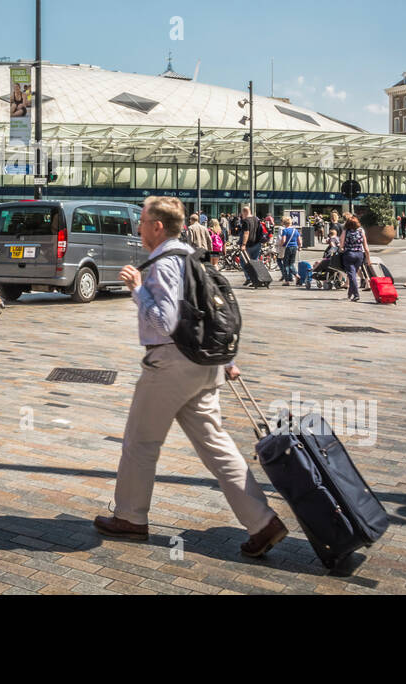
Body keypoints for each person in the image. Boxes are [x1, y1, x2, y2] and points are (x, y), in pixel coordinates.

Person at [93, 195, 287, 558]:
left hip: (170, 363)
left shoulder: (164, 264)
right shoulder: (191, 256)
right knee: (216, 444)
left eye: (143, 221)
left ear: (157, 226)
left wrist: (137, 290)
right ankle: (263, 522)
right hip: (203, 364)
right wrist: (226, 361)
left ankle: (131, 517)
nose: (138, 227)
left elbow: (164, 322)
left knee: (140, 442)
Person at [339, 215, 369, 301]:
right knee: (352, 275)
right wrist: (368, 258)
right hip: (360, 255)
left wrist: (341, 248)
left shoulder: (346, 231)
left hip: (349, 255)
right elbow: (366, 246)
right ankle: (350, 293)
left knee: (352, 276)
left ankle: (356, 295)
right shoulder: (361, 231)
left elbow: (341, 243)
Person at [277, 215, 301, 284]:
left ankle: (287, 281)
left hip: (287, 248)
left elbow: (283, 240)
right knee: (291, 263)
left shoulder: (285, 230)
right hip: (294, 247)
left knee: (285, 265)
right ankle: (296, 275)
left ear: (284, 223)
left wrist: (280, 245)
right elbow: (299, 241)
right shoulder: (295, 230)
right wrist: (299, 246)